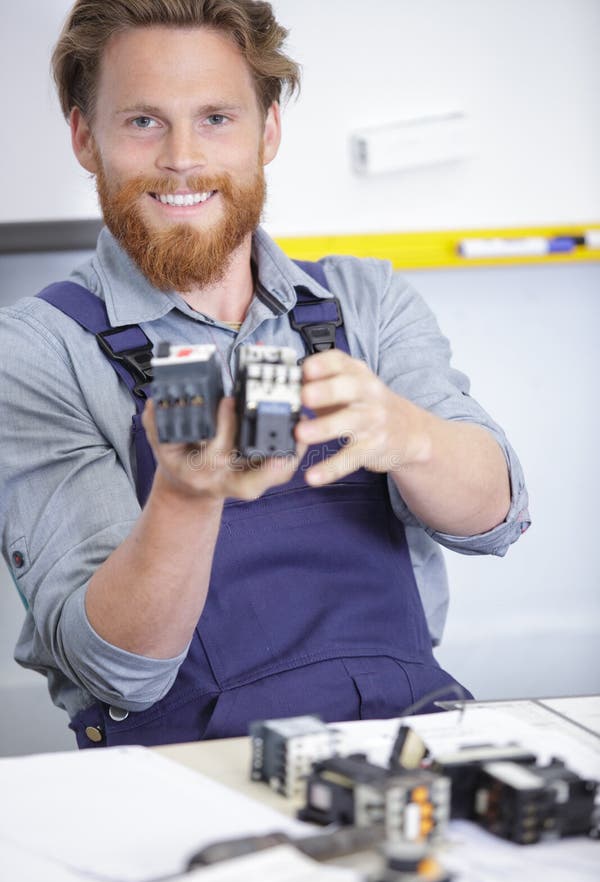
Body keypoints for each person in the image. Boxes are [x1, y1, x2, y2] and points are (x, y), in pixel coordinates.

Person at [0, 0, 529, 750]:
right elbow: (117, 673)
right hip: (182, 781)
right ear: (87, 138)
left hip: (406, 746)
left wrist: (412, 437)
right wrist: (185, 498)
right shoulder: (36, 352)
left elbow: (498, 518)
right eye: (143, 121)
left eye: (216, 117)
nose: (182, 158)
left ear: (268, 131)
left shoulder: (364, 302)